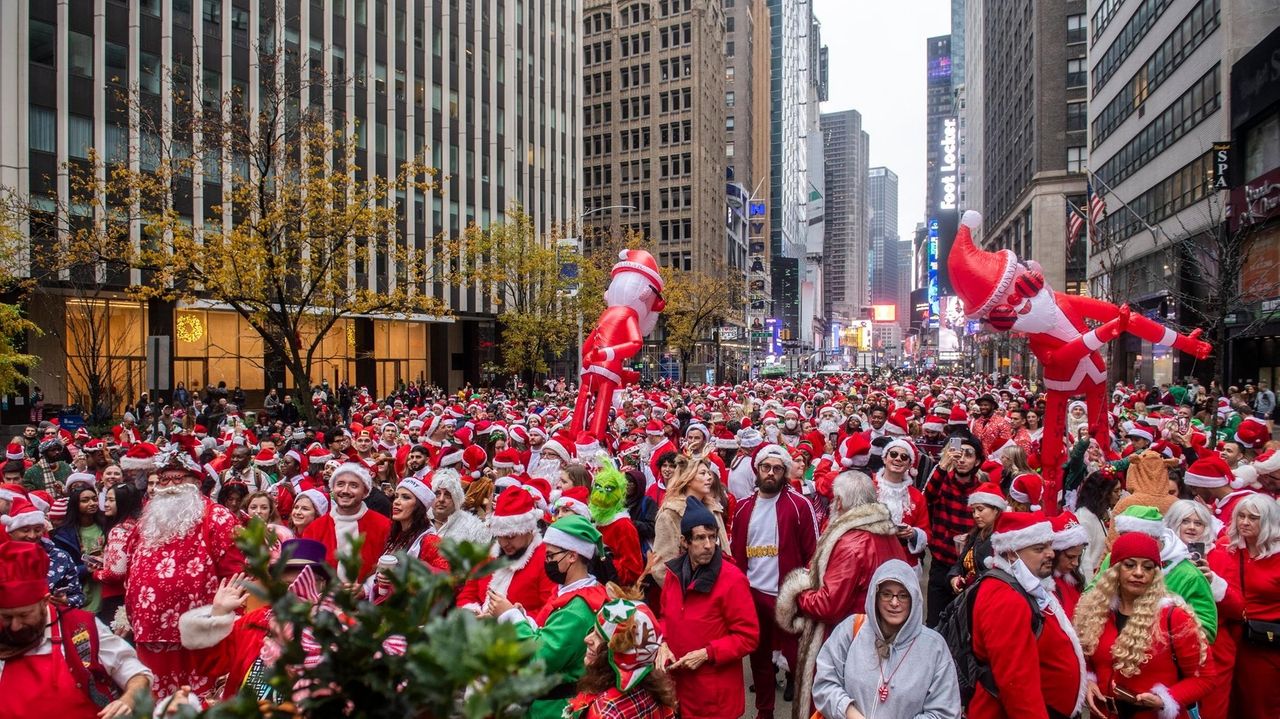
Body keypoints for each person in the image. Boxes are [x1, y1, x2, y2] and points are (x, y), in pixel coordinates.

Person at [775, 469, 907, 719]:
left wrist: (798, 592)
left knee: (834, 704)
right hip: (879, 639)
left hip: (845, 642)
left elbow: (828, 605)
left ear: (839, 501)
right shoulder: (888, 535)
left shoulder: (852, 542)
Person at [122, 449, 245, 696]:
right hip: (149, 631)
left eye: (178, 479)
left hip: (199, 634)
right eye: (164, 479)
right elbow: (130, 563)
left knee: (198, 699)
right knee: (155, 701)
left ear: (196, 483)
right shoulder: (147, 520)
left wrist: (234, 618)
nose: (170, 486)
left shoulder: (217, 516)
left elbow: (237, 572)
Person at [0, 541, 153, 718]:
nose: (15, 626)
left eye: (25, 616)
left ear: (45, 601)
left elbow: (137, 674)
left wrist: (128, 701)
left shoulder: (80, 628)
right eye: (6, 617)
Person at [1073, 532, 1212, 719]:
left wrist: (1166, 699)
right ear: (1115, 570)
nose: (1139, 573)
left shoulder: (1175, 617)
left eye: (1147, 567)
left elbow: (1205, 677)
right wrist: (1089, 680)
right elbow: (1087, 659)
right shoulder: (1097, 611)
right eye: (1130, 565)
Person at [176, 539, 332, 703]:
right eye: (286, 584)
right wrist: (218, 615)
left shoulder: (336, 631)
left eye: (305, 583)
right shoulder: (255, 620)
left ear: (323, 586)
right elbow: (211, 665)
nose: (293, 591)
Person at [487, 515, 610, 719]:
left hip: (555, 708)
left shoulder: (578, 609)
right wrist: (523, 617)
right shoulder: (569, 593)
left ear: (572, 556)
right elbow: (548, 631)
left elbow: (539, 659)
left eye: (551, 556)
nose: (547, 562)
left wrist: (509, 616)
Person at [969, 511, 1086, 719]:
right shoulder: (1007, 599)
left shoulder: (1025, 587)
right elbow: (1016, 684)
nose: (1051, 553)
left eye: (1050, 545)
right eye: (1040, 548)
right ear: (1012, 554)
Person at [729, 444, 819, 716]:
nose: (770, 473)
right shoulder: (744, 507)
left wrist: (805, 594)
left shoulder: (799, 505)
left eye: (777, 469)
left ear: (785, 472)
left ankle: (806, 711)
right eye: (766, 467)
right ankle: (765, 710)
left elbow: (813, 553)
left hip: (787, 596)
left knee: (798, 660)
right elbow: (736, 554)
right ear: (756, 470)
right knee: (759, 657)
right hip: (753, 595)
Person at [811, 559, 962, 719]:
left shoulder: (934, 648)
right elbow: (824, 683)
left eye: (903, 595)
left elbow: (945, 713)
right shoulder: (851, 630)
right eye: (886, 594)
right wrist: (849, 712)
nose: (894, 602)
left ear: (914, 599)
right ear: (875, 597)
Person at [656, 497, 759, 719]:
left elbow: (748, 636)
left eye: (712, 537)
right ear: (684, 541)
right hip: (681, 690)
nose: (709, 545)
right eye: (700, 538)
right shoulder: (673, 575)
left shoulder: (732, 580)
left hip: (714, 696)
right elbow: (665, 615)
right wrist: (663, 642)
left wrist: (707, 653)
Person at [564, 598, 677, 719]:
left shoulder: (606, 712)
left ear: (620, 655)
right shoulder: (654, 692)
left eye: (599, 637)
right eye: (593, 631)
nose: (587, 639)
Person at [1221, 493, 1280, 715]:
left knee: (1262, 703)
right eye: (1241, 516)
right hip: (1231, 638)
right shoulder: (1227, 548)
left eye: (1253, 518)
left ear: (1268, 522)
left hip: (1266, 642)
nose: (1244, 522)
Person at [456, 487, 555, 616]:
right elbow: (468, 593)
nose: (504, 543)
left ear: (529, 530)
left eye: (511, 536)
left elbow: (548, 612)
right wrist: (471, 612)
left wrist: (509, 616)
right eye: (500, 536)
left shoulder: (546, 560)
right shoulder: (490, 554)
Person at [923, 433, 985, 626]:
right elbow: (927, 498)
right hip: (941, 564)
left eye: (969, 455)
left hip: (968, 568)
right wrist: (943, 465)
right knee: (934, 622)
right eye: (960, 454)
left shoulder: (983, 490)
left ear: (977, 461)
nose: (962, 459)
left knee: (962, 624)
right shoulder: (942, 481)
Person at [302, 462, 392, 582]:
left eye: (354, 486)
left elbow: (389, 569)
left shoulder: (384, 526)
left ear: (365, 492)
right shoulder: (314, 528)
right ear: (333, 489)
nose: (345, 490)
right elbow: (306, 571)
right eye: (340, 484)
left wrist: (365, 589)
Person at [651, 455, 728, 587]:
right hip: (691, 593)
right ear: (688, 479)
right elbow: (661, 569)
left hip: (720, 587)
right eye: (703, 473)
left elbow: (725, 550)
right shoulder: (671, 515)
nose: (709, 477)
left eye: (709, 473)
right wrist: (686, 594)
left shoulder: (714, 509)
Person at [1, 497, 86, 607]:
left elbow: (79, 596)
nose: (32, 536)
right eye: (25, 530)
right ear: (11, 533)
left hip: (53, 619)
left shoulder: (60, 557)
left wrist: (66, 601)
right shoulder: (3, 559)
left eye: (37, 530)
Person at [51, 485, 106, 614]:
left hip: (106, 588)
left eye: (94, 499)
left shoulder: (107, 526)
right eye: (85, 500)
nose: (92, 503)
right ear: (76, 504)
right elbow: (61, 571)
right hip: (81, 591)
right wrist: (85, 569)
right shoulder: (63, 535)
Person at [95, 483, 144, 624]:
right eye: (106, 499)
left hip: (116, 596)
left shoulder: (119, 530)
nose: (106, 504)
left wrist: (96, 573)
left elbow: (116, 573)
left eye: (111, 500)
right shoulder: (139, 525)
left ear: (123, 503)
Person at [949, 481, 1006, 593]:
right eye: (973, 511)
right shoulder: (975, 534)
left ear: (996, 510)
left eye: (980, 509)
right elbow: (959, 564)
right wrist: (954, 578)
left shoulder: (1001, 540)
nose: (976, 515)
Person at [1074, 468, 1122, 582]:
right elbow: (1085, 559)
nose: (1120, 494)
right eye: (1116, 491)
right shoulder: (1083, 517)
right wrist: (1089, 587)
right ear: (1103, 493)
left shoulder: (1106, 513)